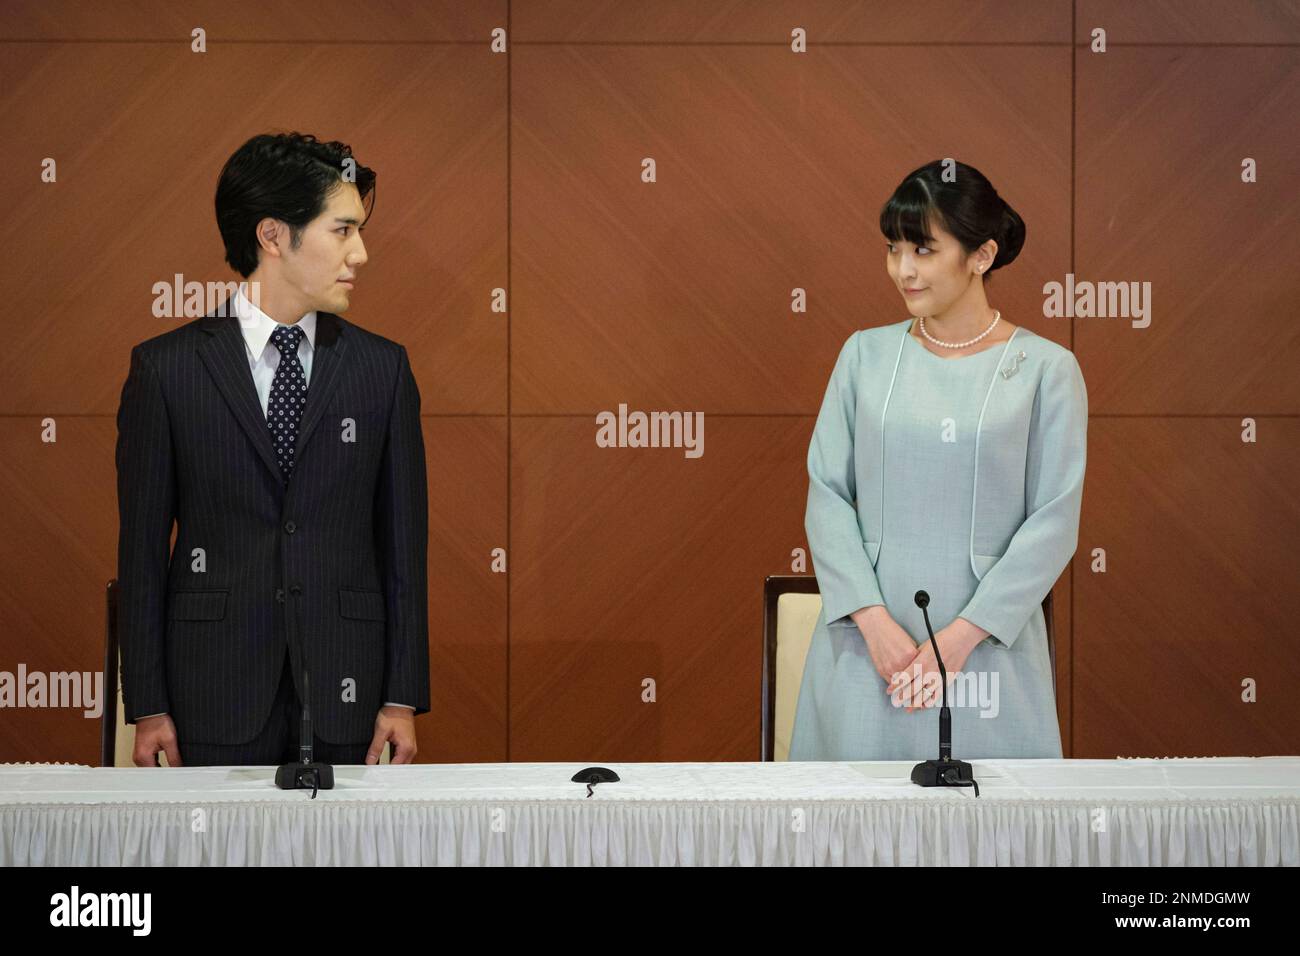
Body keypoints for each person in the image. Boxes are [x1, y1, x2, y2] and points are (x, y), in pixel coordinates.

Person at [116, 132, 430, 767]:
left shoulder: (383, 369)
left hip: (351, 692)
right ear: (273, 235)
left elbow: (403, 548)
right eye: (342, 230)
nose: (361, 253)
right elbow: (143, 552)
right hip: (210, 691)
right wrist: (147, 705)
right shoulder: (167, 370)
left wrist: (401, 697)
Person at [789, 159, 1087, 760]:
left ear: (981, 255)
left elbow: (1053, 521)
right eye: (894, 248)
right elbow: (827, 492)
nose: (904, 269)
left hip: (988, 654)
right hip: (866, 650)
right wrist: (875, 625)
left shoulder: (1046, 370)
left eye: (923, 249)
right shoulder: (863, 356)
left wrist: (957, 640)